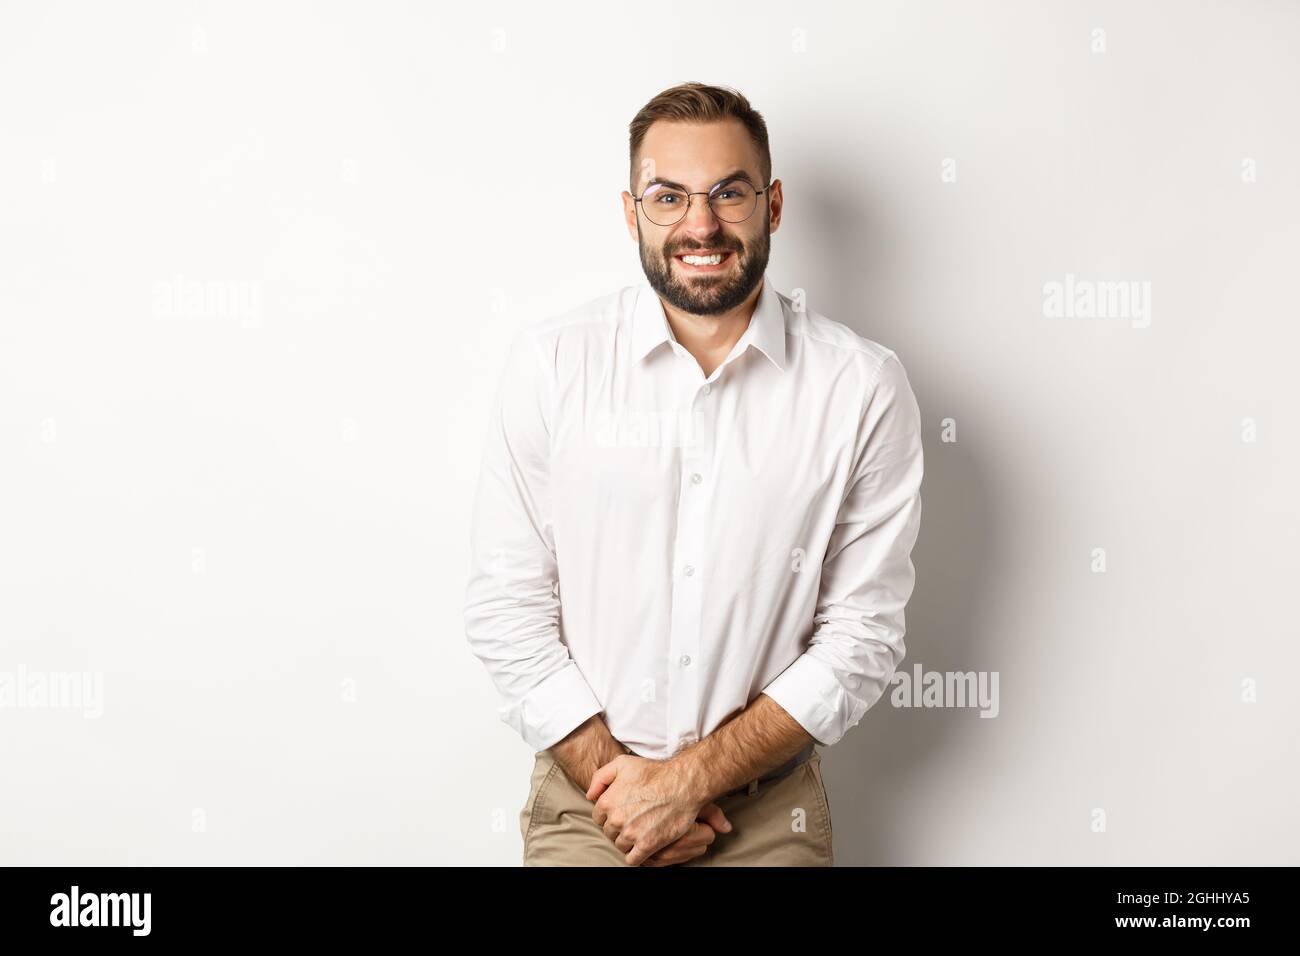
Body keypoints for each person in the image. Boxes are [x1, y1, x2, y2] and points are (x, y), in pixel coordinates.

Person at [464, 82, 924, 866]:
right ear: (631, 211)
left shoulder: (862, 388)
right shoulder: (552, 366)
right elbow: (507, 602)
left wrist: (688, 784)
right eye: (668, 197)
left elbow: (862, 635)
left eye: (729, 193)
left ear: (772, 204)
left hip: (770, 813)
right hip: (591, 803)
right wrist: (631, 792)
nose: (700, 225)